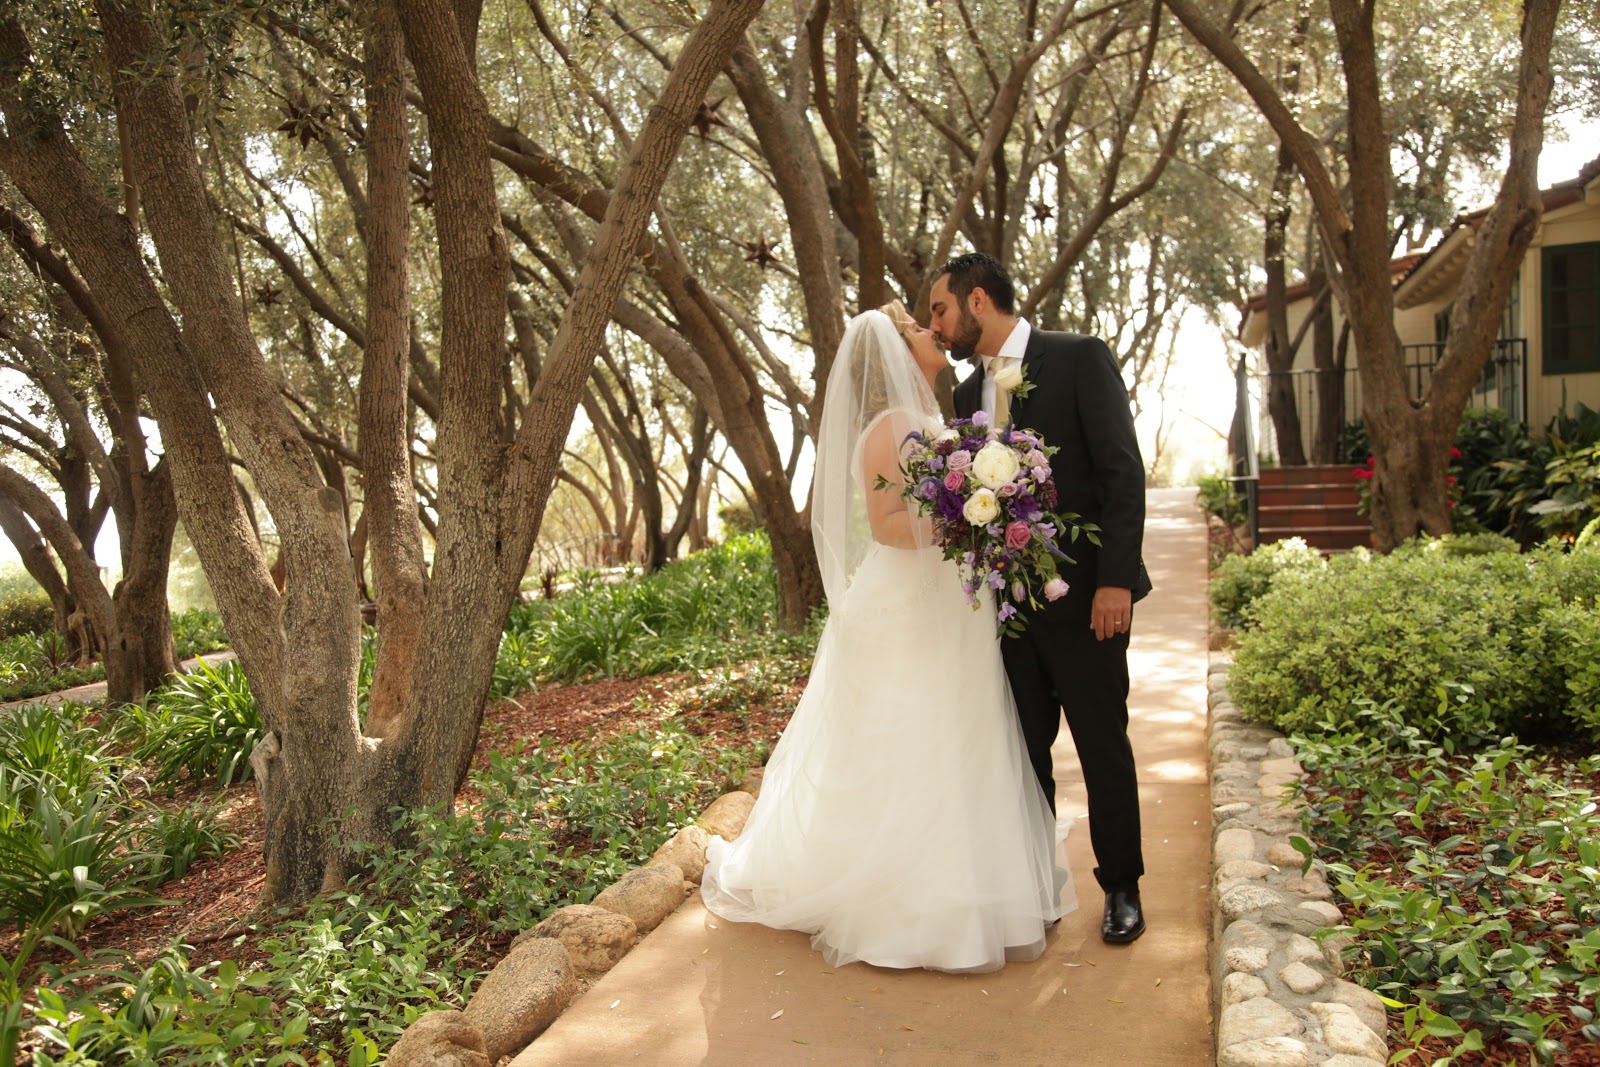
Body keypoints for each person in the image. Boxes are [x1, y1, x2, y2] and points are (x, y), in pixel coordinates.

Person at [700, 301, 1075, 973]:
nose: (936, 332)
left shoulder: (930, 418)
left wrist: (974, 512)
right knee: (913, 736)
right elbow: (885, 525)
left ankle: (968, 885)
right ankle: (908, 902)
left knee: (961, 738)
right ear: (897, 354)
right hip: (906, 605)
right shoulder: (890, 427)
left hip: (944, 603)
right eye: (920, 331)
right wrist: (968, 521)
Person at [930, 252, 1152, 944]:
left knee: (1100, 745)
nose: (937, 326)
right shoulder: (968, 398)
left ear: (976, 301)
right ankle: (1036, 890)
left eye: (940, 309)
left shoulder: (1080, 357)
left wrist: (1116, 578)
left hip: (1087, 598)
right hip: (1008, 613)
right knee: (1022, 755)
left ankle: (1122, 888)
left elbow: (1122, 471)